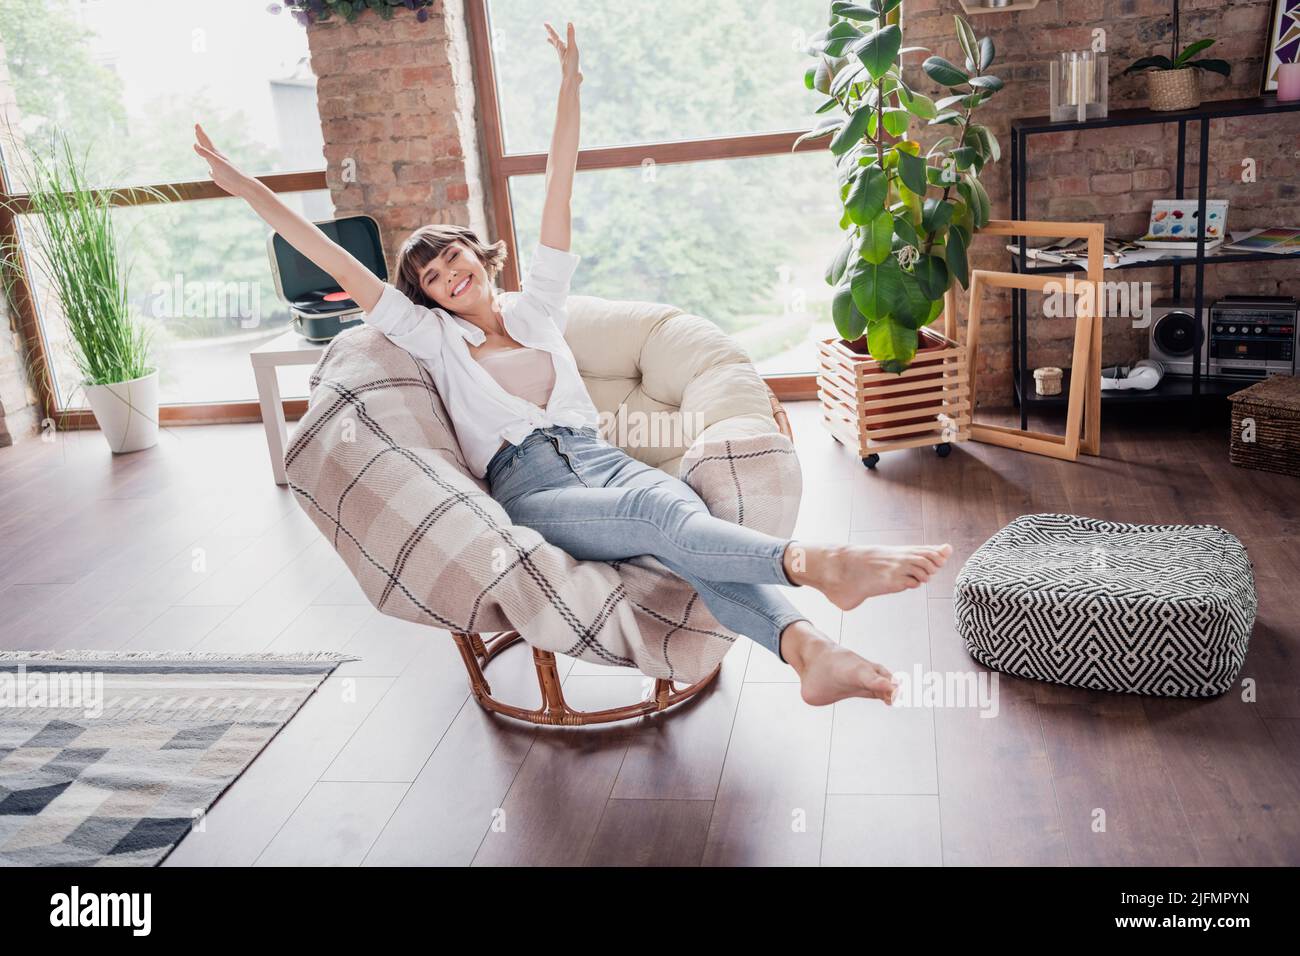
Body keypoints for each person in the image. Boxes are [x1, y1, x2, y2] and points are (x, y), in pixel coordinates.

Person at [193, 22, 952, 707]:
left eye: (451, 253)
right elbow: (331, 256)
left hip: (601, 458)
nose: (445, 271)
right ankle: (820, 563)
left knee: (684, 524)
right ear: (425, 298)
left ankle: (810, 650)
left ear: (478, 254)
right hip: (532, 486)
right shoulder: (432, 341)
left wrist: (569, 85)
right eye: (428, 275)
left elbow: (561, 184)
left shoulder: (537, 310)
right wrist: (244, 185)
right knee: (664, 515)